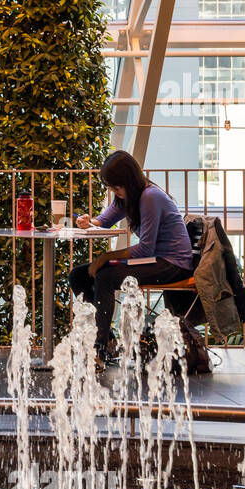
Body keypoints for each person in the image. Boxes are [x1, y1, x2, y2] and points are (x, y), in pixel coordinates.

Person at [70, 149, 195, 364]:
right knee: (78, 276)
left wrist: (106, 257)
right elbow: (104, 221)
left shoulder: (150, 197)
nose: (114, 191)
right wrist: (88, 222)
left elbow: (146, 248)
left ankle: (98, 349)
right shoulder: (128, 195)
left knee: (105, 276)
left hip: (172, 263)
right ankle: (107, 339)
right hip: (154, 260)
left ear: (128, 180)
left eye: (116, 186)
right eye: (110, 186)